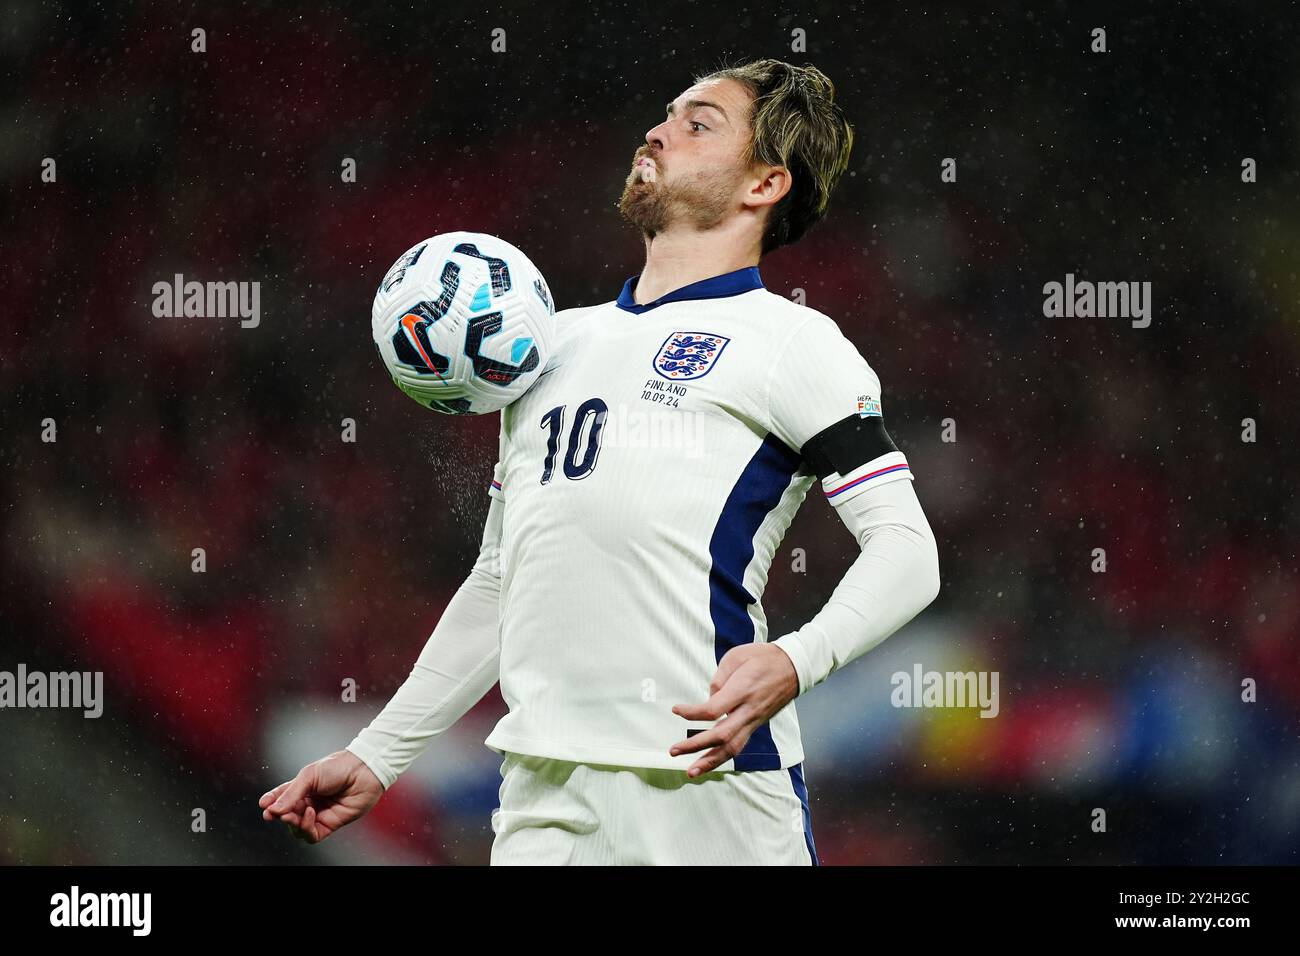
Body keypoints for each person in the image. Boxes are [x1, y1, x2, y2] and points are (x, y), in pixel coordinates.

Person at [260, 58, 941, 865]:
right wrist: (380, 752)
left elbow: (908, 550)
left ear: (764, 185)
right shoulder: (549, 348)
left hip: (708, 791)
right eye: (665, 114)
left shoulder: (795, 344)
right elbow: (502, 578)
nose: (657, 131)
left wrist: (796, 659)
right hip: (544, 795)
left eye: (699, 124)